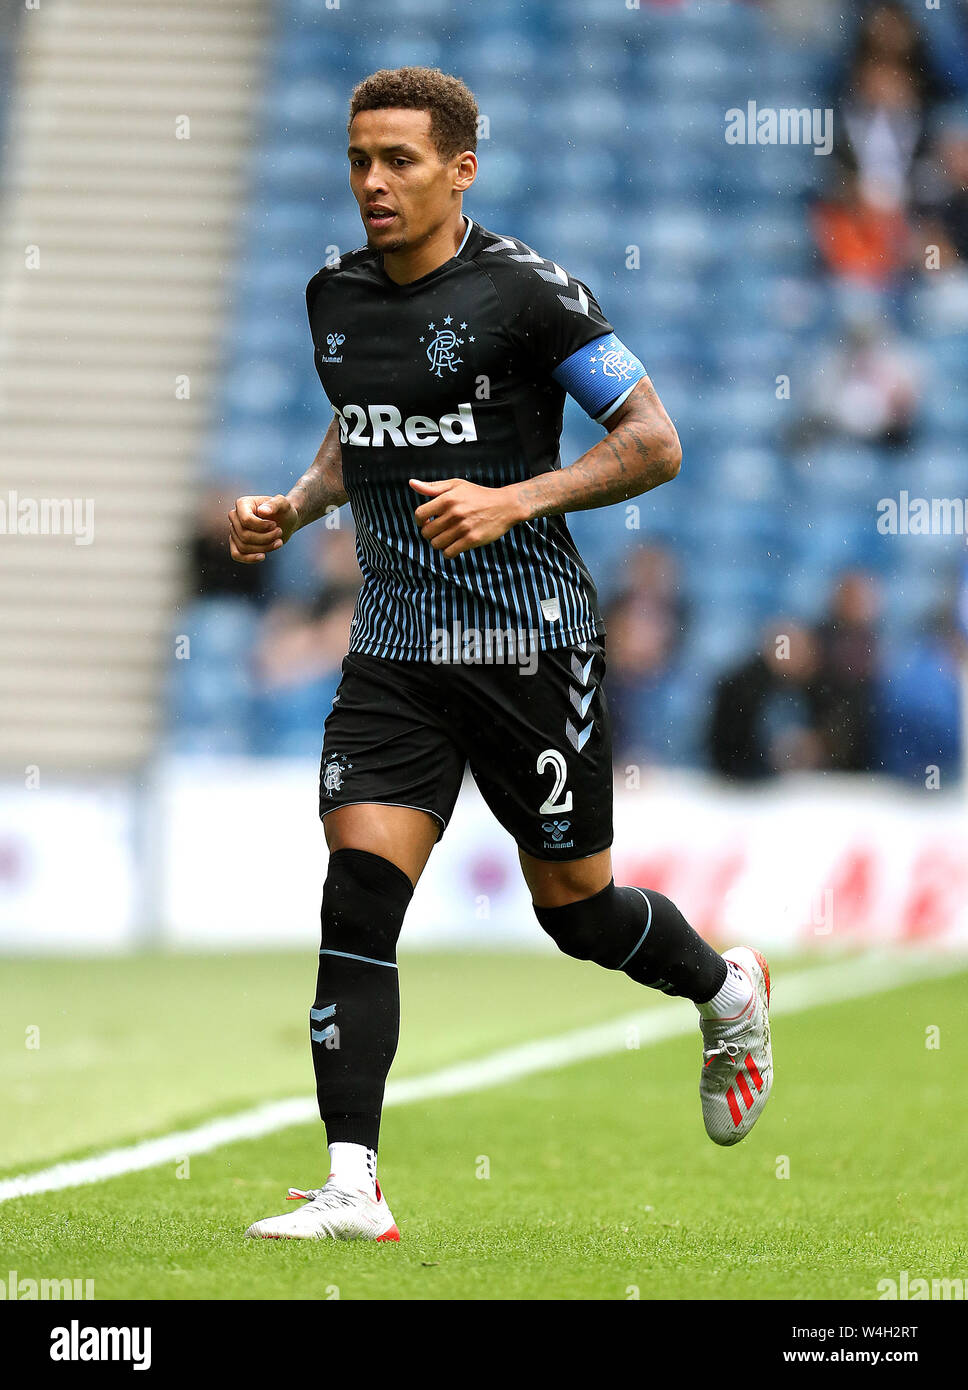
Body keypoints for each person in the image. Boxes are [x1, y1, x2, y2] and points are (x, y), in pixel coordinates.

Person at [228, 68, 773, 1243]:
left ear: (459, 169)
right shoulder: (331, 292)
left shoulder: (526, 295)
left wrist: (512, 499)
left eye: (399, 161)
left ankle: (724, 990)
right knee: (356, 897)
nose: (372, 181)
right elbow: (360, 422)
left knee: (572, 911)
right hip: (394, 654)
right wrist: (301, 502)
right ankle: (350, 1184)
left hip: (528, 647)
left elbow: (654, 442)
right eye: (358, 159)